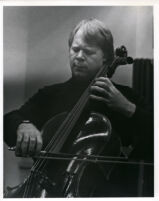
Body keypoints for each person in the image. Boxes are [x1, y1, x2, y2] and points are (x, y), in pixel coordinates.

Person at [4, 18, 153, 197]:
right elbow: (9, 121)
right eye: (75, 49)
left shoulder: (126, 96)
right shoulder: (50, 95)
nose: (79, 56)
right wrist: (23, 125)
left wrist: (128, 108)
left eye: (88, 52)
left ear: (106, 57)